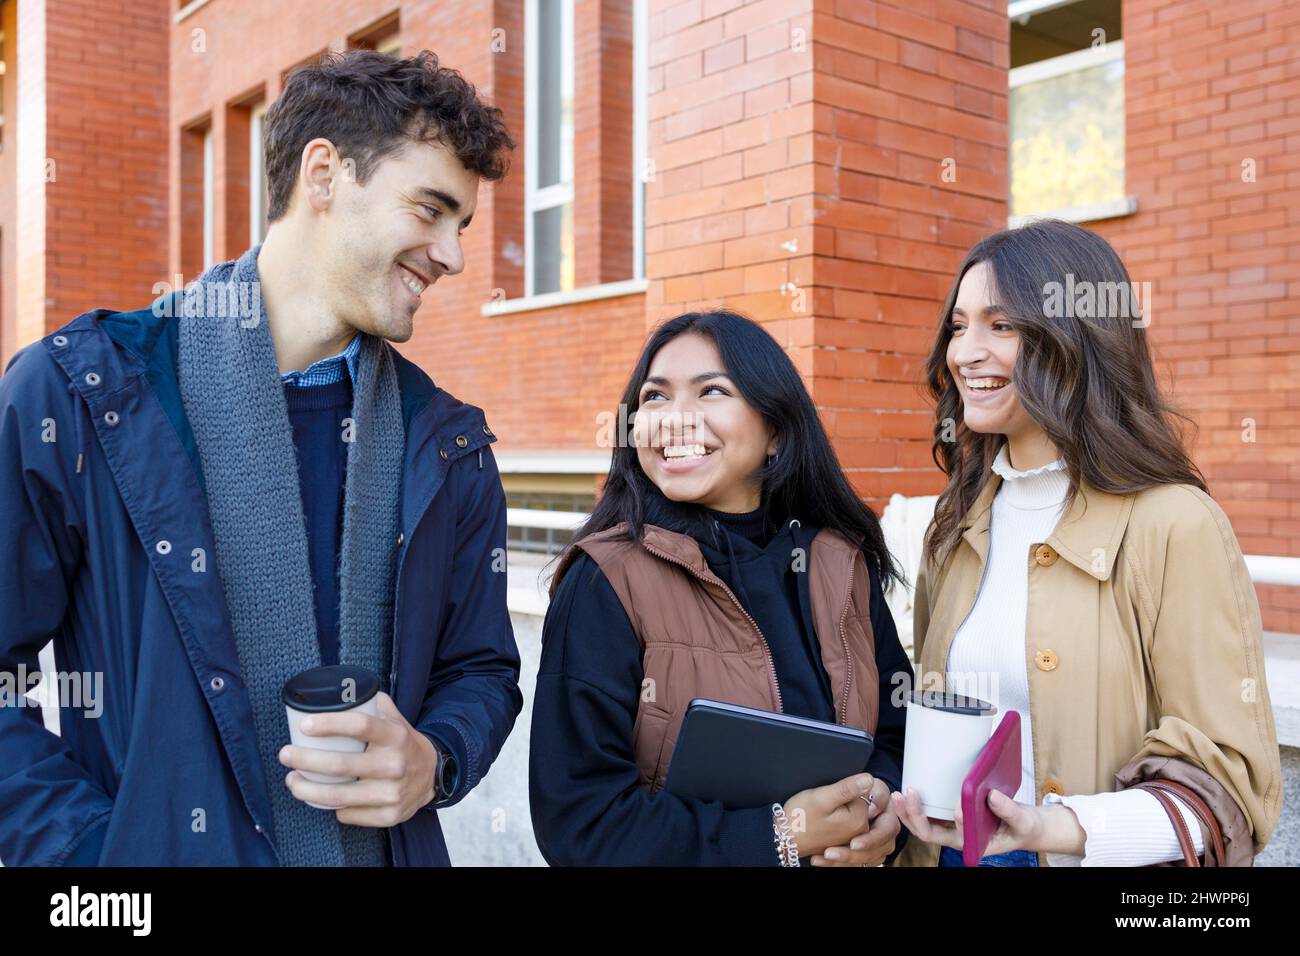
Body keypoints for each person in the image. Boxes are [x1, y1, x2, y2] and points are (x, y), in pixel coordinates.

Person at [0, 50, 522, 866]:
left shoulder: (447, 444)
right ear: (324, 175)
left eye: (462, 227)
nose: (453, 255)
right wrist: (99, 857)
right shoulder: (75, 394)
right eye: (431, 209)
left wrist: (436, 759)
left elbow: (482, 667)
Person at [892, 219, 1281, 866]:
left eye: (1001, 325)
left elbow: (1230, 791)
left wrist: (1052, 829)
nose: (964, 353)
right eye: (958, 327)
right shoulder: (958, 524)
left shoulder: (1173, 525)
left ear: (1074, 338)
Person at [529, 309, 913, 866]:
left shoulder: (840, 561)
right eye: (655, 398)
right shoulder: (605, 580)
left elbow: (899, 736)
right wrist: (777, 837)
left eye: (711, 391)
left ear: (776, 429)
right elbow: (580, 822)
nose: (674, 419)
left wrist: (883, 811)